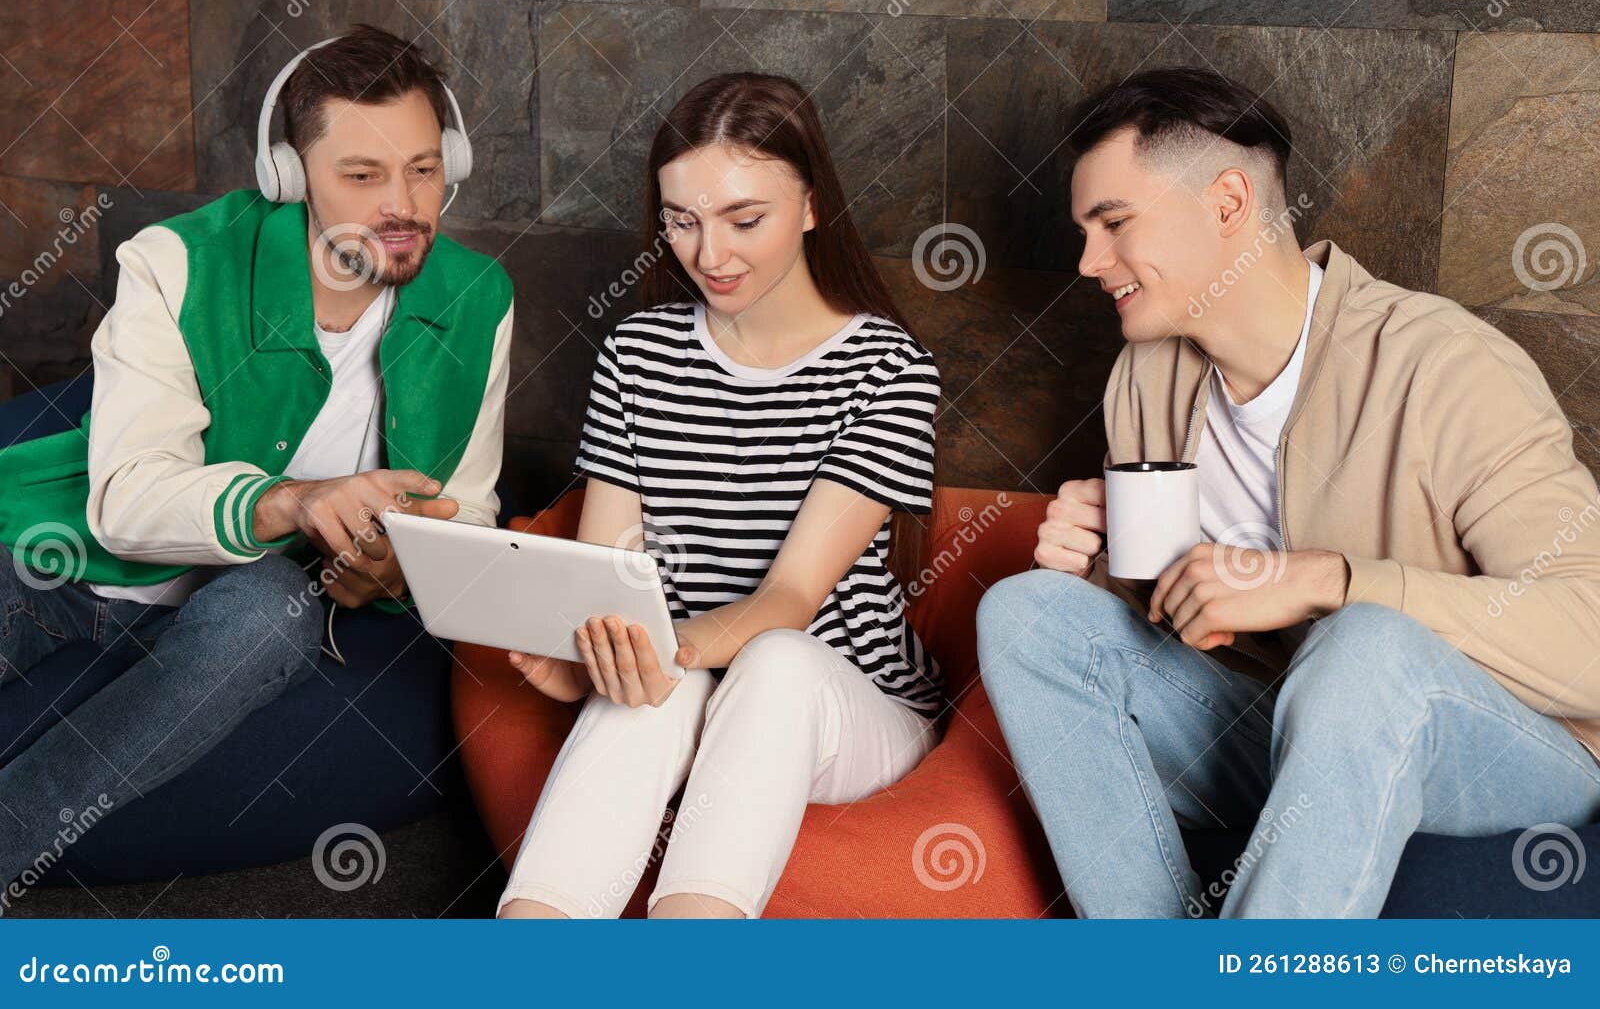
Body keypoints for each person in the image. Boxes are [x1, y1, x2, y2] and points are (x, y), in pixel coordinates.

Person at [976, 66, 1600, 917]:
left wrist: (1331, 580)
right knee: (1025, 614)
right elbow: (1178, 617)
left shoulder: (1447, 367)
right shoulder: (1144, 378)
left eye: (1114, 223)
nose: (1089, 262)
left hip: (1511, 752)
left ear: (1229, 202)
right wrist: (1089, 567)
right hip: (1289, 735)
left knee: (1364, 648)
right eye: (1084, 232)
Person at [0, 25, 512, 900]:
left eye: (424, 169)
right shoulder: (176, 261)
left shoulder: (476, 299)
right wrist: (296, 501)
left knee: (274, 609)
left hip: (243, 612)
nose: (403, 203)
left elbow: (468, 514)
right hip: (62, 564)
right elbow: (124, 501)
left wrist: (390, 568)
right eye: (363, 175)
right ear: (289, 175)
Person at [497, 71, 943, 919]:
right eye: (681, 222)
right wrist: (590, 656)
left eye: (745, 219)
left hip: (850, 699)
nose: (710, 255)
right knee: (648, 698)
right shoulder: (637, 352)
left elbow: (790, 598)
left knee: (766, 664)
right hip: (692, 676)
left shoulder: (888, 369)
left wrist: (654, 650)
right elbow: (607, 575)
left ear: (811, 206)